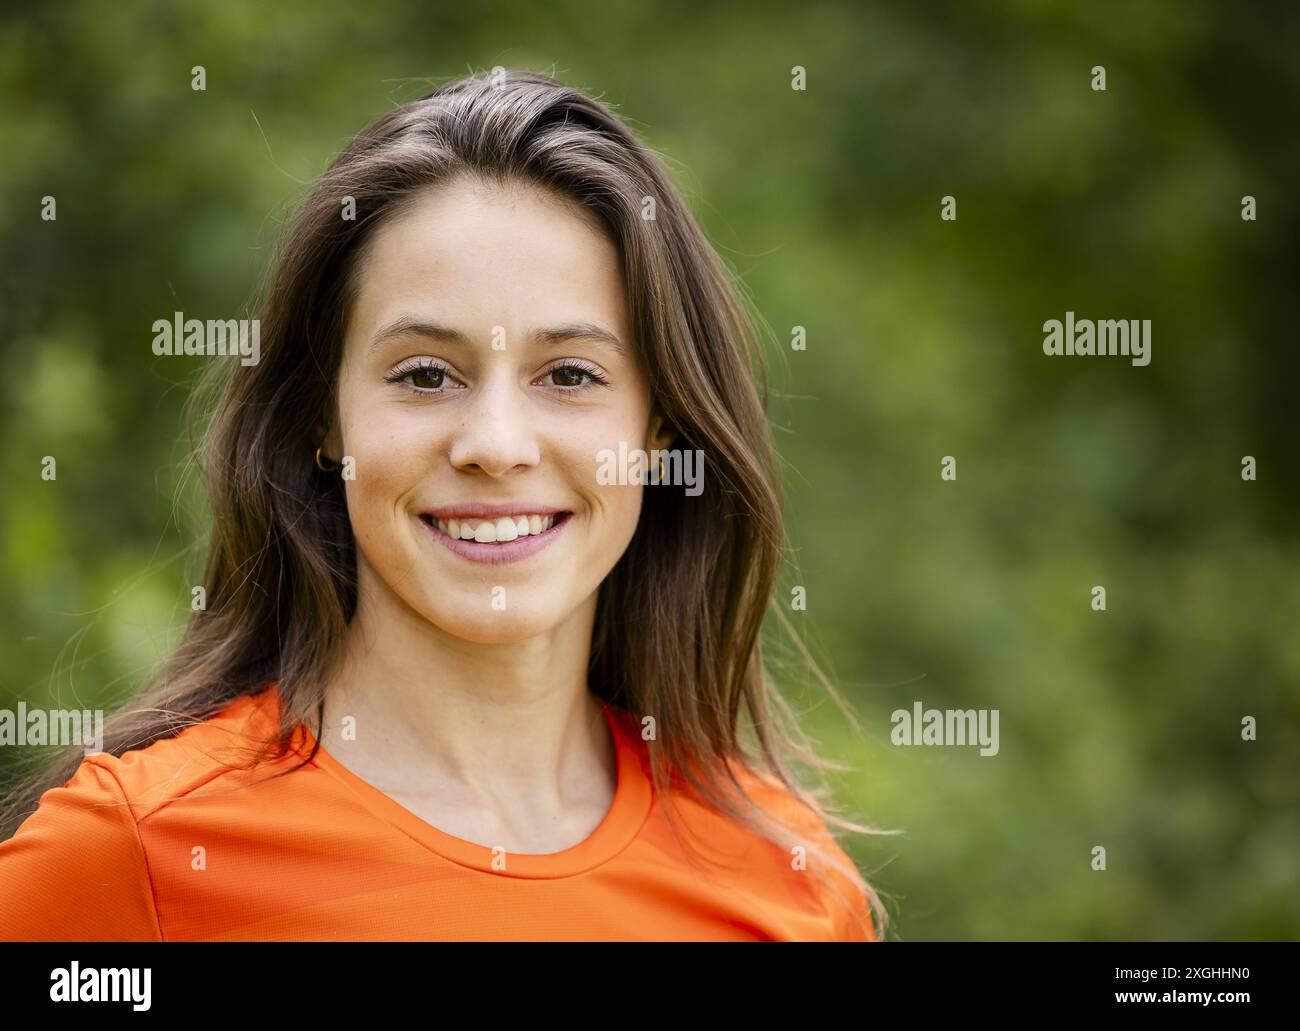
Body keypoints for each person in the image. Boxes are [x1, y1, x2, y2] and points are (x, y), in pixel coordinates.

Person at [0, 69, 884, 941]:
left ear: (659, 428)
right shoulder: (136, 857)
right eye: (426, 374)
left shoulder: (790, 886)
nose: (496, 444)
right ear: (325, 418)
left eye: (570, 374)